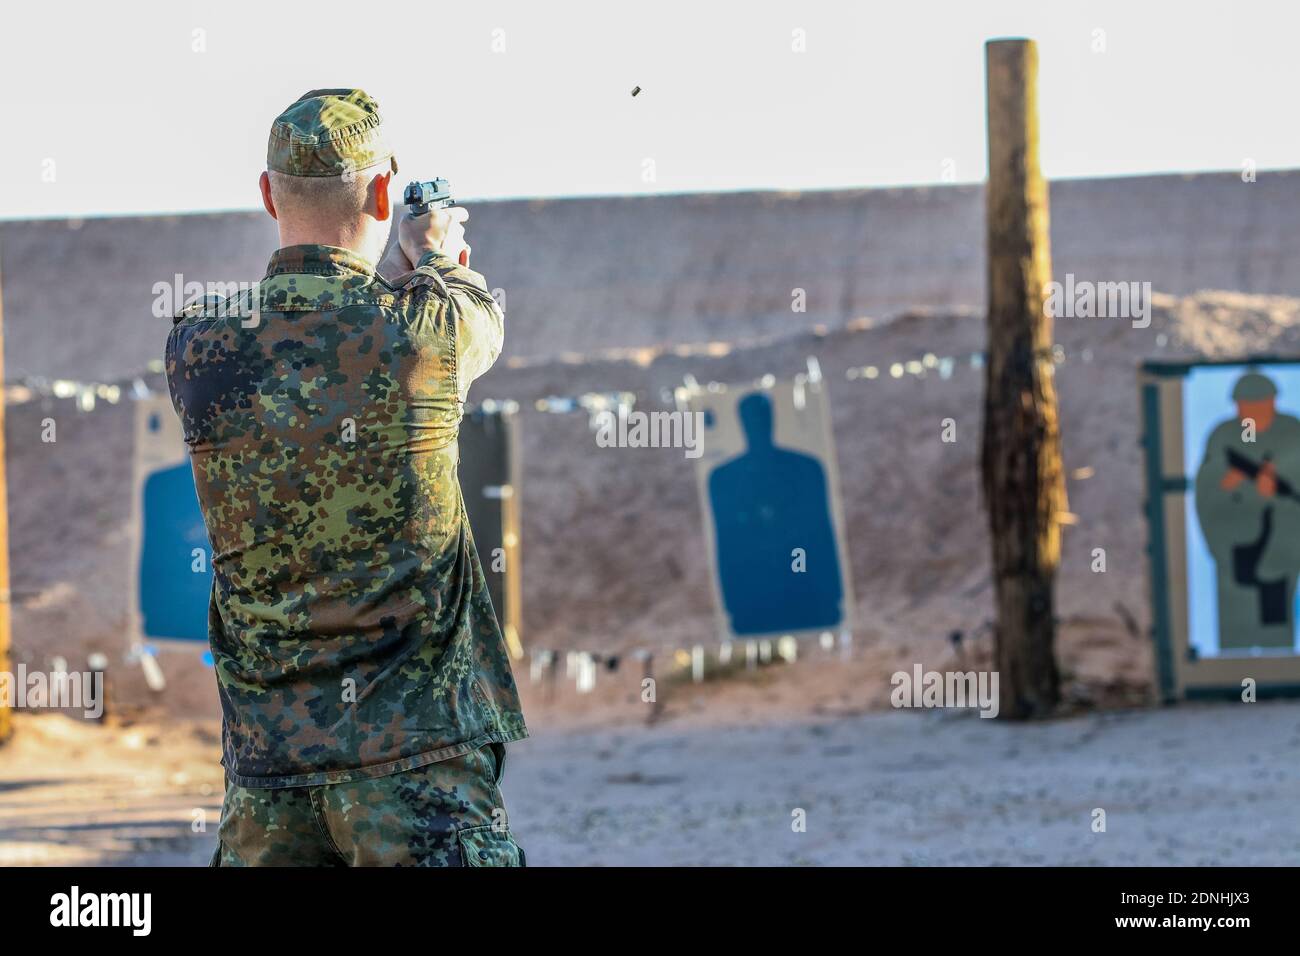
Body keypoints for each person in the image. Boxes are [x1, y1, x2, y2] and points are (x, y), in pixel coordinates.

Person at [165, 89, 527, 866]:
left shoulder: (198, 348)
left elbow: (319, 351)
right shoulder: (428, 331)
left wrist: (389, 276)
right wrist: (430, 254)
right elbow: (469, 312)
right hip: (418, 775)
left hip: (268, 785)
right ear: (384, 191)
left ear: (267, 195)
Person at [1194, 371, 1300, 652]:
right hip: (1235, 547)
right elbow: (1206, 491)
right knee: (1236, 625)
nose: (1250, 412)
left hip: (1280, 549)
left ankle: (1276, 678)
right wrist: (1230, 486)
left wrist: (1274, 494)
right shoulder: (1223, 436)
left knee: (1275, 626)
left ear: (1272, 403)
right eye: (1245, 405)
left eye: (1258, 404)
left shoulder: (1292, 433)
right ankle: (1237, 681)